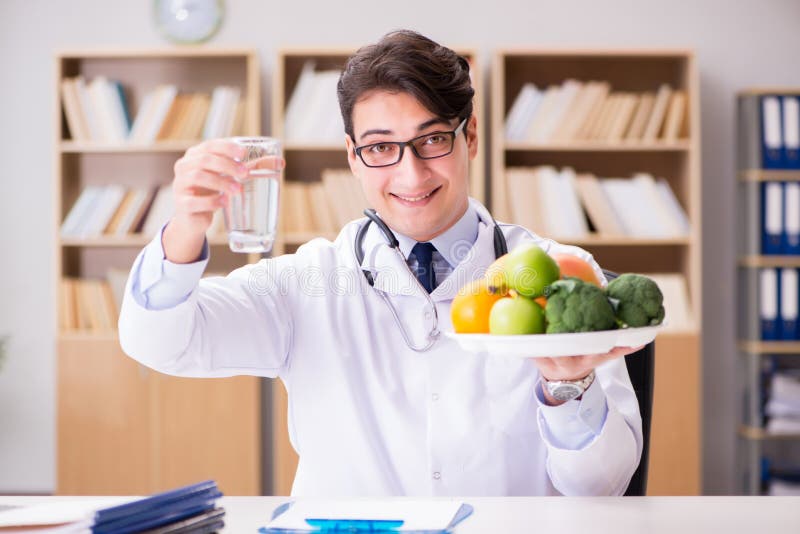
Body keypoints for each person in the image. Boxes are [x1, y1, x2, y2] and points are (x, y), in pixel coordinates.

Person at [119, 30, 643, 497]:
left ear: (472, 137)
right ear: (352, 156)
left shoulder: (561, 275)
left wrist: (568, 387)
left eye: (433, 139)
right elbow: (161, 341)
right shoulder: (305, 281)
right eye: (380, 148)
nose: (411, 175)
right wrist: (186, 225)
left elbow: (602, 486)